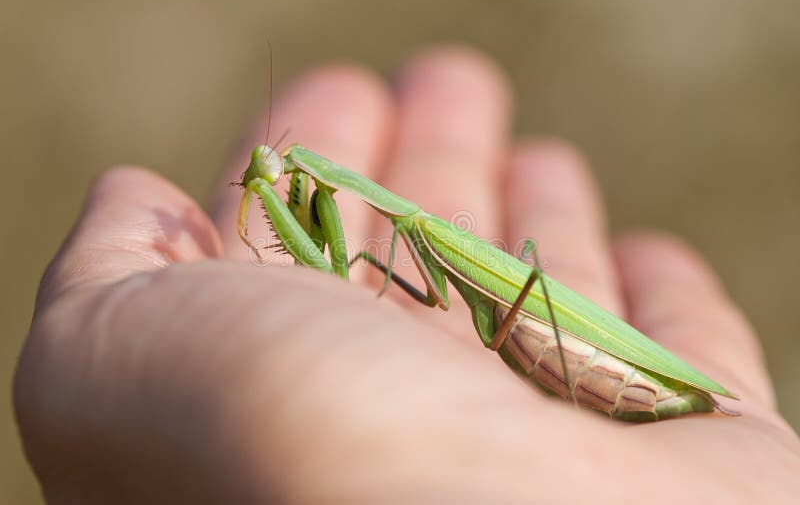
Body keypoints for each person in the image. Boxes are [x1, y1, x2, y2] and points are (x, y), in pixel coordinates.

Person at [14, 47, 799, 504]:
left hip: (600, 361)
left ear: (316, 181)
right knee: (374, 261)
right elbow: (343, 264)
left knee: (519, 275)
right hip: (529, 339)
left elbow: (335, 261)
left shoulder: (412, 226)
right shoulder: (392, 233)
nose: (279, 184)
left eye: (288, 176)